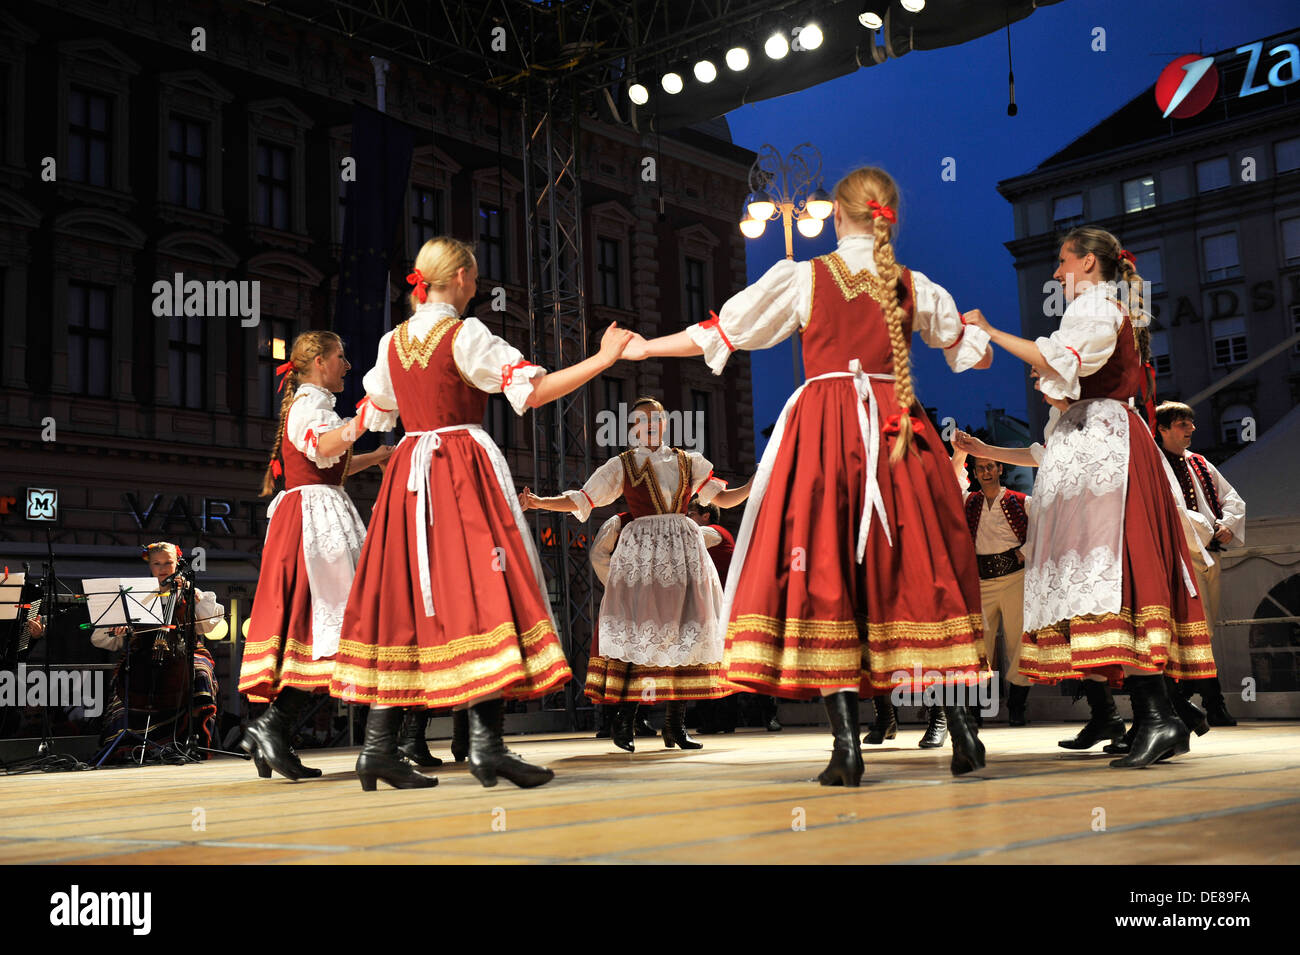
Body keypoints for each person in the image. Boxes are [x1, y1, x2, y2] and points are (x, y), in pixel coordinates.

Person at [622, 166, 994, 784]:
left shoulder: (805, 277)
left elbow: (724, 332)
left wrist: (644, 348)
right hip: (898, 427)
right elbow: (966, 354)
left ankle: (846, 749)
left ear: (839, 215)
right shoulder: (912, 284)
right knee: (921, 572)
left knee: (823, 571)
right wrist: (977, 330)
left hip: (824, 432)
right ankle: (963, 736)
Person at [331, 237, 637, 790]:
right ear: (464, 277)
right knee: (485, 592)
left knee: (405, 600)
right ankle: (484, 747)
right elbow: (535, 391)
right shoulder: (465, 334)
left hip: (408, 477)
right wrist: (603, 358)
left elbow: (376, 415)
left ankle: (380, 748)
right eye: (475, 275)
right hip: (458, 470)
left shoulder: (391, 342)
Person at [960, 229, 1215, 768]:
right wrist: (1054, 390)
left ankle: (1159, 716)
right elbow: (1065, 383)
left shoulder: (1099, 306)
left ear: (1090, 263)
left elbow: (1061, 360)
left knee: (1114, 570)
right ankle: (1157, 715)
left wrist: (991, 331)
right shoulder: (1101, 309)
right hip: (1091, 447)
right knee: (1102, 575)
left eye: (1063, 262)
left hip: (1107, 454)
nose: (1056, 274)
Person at [521, 397, 752, 752]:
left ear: (664, 423)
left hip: (683, 553)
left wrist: (755, 483)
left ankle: (676, 725)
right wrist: (541, 502)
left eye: (655, 420)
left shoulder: (688, 461)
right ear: (632, 428)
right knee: (638, 631)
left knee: (681, 633)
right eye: (641, 422)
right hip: (642, 556)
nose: (649, 427)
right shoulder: (622, 465)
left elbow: (725, 499)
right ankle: (624, 721)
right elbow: (584, 500)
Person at [237, 330, 392, 780]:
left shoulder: (311, 405)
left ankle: (274, 737)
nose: (347, 365)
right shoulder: (311, 405)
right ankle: (275, 730)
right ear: (321, 361)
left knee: (320, 628)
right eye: (341, 357)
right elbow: (324, 446)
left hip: (314, 510)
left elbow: (329, 460)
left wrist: (375, 453)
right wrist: (365, 418)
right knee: (339, 625)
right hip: (314, 521)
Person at [1154, 400, 1245, 726]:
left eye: (1190, 423)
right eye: (1182, 424)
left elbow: (1232, 498)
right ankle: (1210, 702)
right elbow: (1175, 513)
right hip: (1181, 558)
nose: (1191, 429)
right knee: (1195, 632)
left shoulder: (1200, 462)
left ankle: (1183, 700)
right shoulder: (1155, 465)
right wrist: (1208, 530)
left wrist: (1227, 524)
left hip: (1208, 555)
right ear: (1162, 429)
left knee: (1204, 632)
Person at [94, 542, 224, 761]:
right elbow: (99, 638)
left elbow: (208, 625)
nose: (163, 568)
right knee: (126, 675)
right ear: (150, 566)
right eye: (157, 563)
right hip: (143, 651)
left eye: (168, 563)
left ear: (177, 563)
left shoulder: (190, 591)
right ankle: (128, 744)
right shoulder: (135, 595)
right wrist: (119, 630)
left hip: (185, 650)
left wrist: (193, 596)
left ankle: (191, 741)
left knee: (200, 671)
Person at [957, 451, 1034, 726]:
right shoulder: (970, 501)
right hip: (981, 581)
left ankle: (1017, 704)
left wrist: (1027, 550)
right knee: (980, 644)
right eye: (981, 468)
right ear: (975, 473)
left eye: (990, 466)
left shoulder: (1022, 501)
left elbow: (1044, 527)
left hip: (1015, 578)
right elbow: (954, 482)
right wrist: (959, 453)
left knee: (1018, 641)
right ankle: (976, 708)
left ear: (1000, 468)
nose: (986, 472)